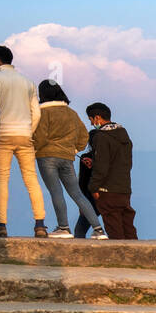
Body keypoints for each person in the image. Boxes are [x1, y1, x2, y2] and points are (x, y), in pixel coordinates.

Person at [0, 45, 47, 238]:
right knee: (31, 179)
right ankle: (40, 224)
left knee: (1, 180)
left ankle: (1, 224)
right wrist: (28, 131)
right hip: (25, 134)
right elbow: (36, 112)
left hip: (2, 135)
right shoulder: (27, 82)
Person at [33, 81, 107, 239]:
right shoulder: (72, 113)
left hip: (47, 157)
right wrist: (74, 149)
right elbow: (84, 136)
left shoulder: (43, 113)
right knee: (77, 194)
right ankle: (99, 229)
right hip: (67, 158)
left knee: (56, 192)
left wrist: (35, 149)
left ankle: (63, 227)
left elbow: (40, 136)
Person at [86, 102, 137, 239]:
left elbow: (101, 166)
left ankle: (121, 260)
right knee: (128, 227)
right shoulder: (124, 137)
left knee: (114, 229)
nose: (91, 124)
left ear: (97, 118)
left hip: (107, 190)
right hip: (124, 188)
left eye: (90, 120)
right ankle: (135, 257)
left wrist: (94, 187)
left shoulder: (101, 137)